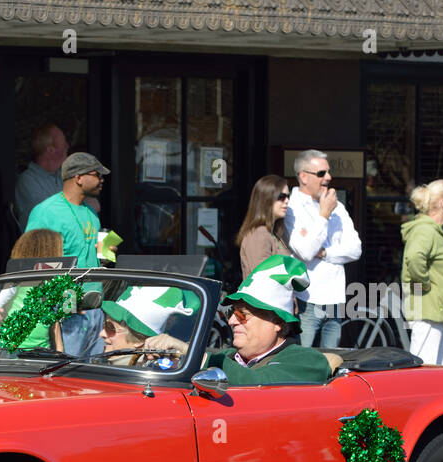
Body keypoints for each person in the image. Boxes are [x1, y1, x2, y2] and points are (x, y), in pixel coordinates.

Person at [146, 256, 331, 385]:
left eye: (243, 315)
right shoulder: (227, 357)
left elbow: (258, 384)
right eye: (231, 313)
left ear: (278, 323)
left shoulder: (308, 360)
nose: (232, 321)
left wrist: (190, 352)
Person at [25, 152, 111, 355]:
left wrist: (106, 254)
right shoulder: (46, 212)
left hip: (95, 310)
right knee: (67, 375)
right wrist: (67, 305)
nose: (102, 180)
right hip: (66, 312)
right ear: (78, 178)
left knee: (93, 380)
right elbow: (33, 265)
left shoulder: (91, 213)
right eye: (97, 174)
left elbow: (94, 259)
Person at [284, 150, 362, 349]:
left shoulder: (338, 207)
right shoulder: (292, 207)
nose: (328, 178)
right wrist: (324, 215)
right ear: (303, 176)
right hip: (307, 298)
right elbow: (306, 252)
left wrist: (325, 253)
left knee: (332, 360)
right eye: (321, 173)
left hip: (334, 298)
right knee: (302, 357)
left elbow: (355, 249)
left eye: (328, 172)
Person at [400, 180, 443, 366]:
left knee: (437, 367)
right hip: (428, 308)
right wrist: (424, 284)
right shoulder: (426, 230)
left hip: (436, 309)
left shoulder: (434, 231)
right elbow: (414, 257)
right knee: (425, 366)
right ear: (442, 203)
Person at [236, 174, 294, 277]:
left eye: (288, 196)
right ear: (266, 199)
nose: (287, 201)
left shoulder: (272, 233)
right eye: (281, 197)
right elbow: (262, 277)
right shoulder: (259, 233)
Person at [14, 125, 68, 230]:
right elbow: (48, 217)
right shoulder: (28, 181)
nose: (67, 146)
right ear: (50, 150)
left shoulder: (65, 175)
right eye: (64, 143)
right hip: (42, 244)